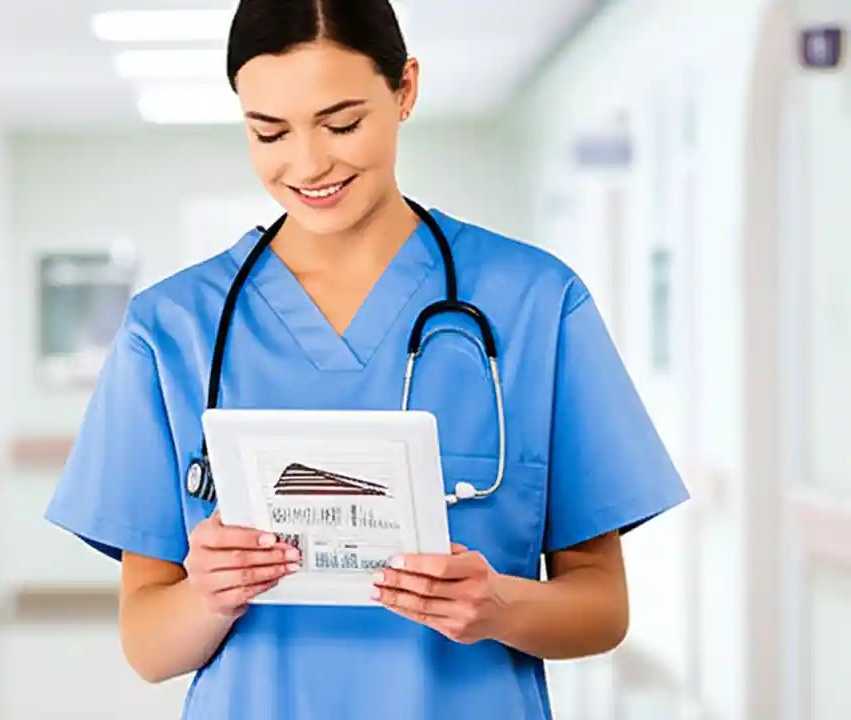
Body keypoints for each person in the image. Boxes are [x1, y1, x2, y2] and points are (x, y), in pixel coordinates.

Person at [44, 1, 689, 717]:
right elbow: (147, 646)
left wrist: (498, 605)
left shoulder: (536, 302)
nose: (309, 163)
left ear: (405, 89)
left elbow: (602, 608)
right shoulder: (172, 328)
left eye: (342, 123)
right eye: (269, 132)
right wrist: (209, 595)